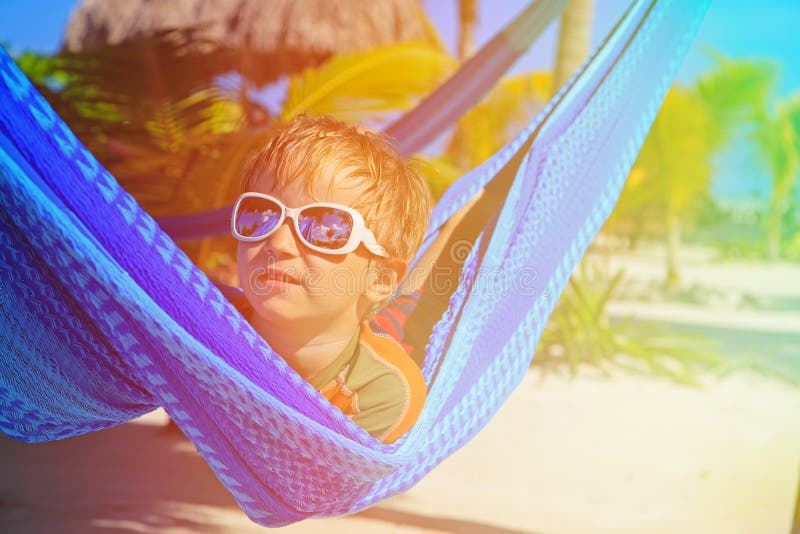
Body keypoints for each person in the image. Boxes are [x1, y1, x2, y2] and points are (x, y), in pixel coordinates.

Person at [230, 114, 431, 443]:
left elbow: (300, 490)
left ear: (380, 277)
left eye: (325, 227)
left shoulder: (383, 389)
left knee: (404, 311)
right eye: (261, 214)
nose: (279, 244)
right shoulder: (202, 322)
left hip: (383, 332)